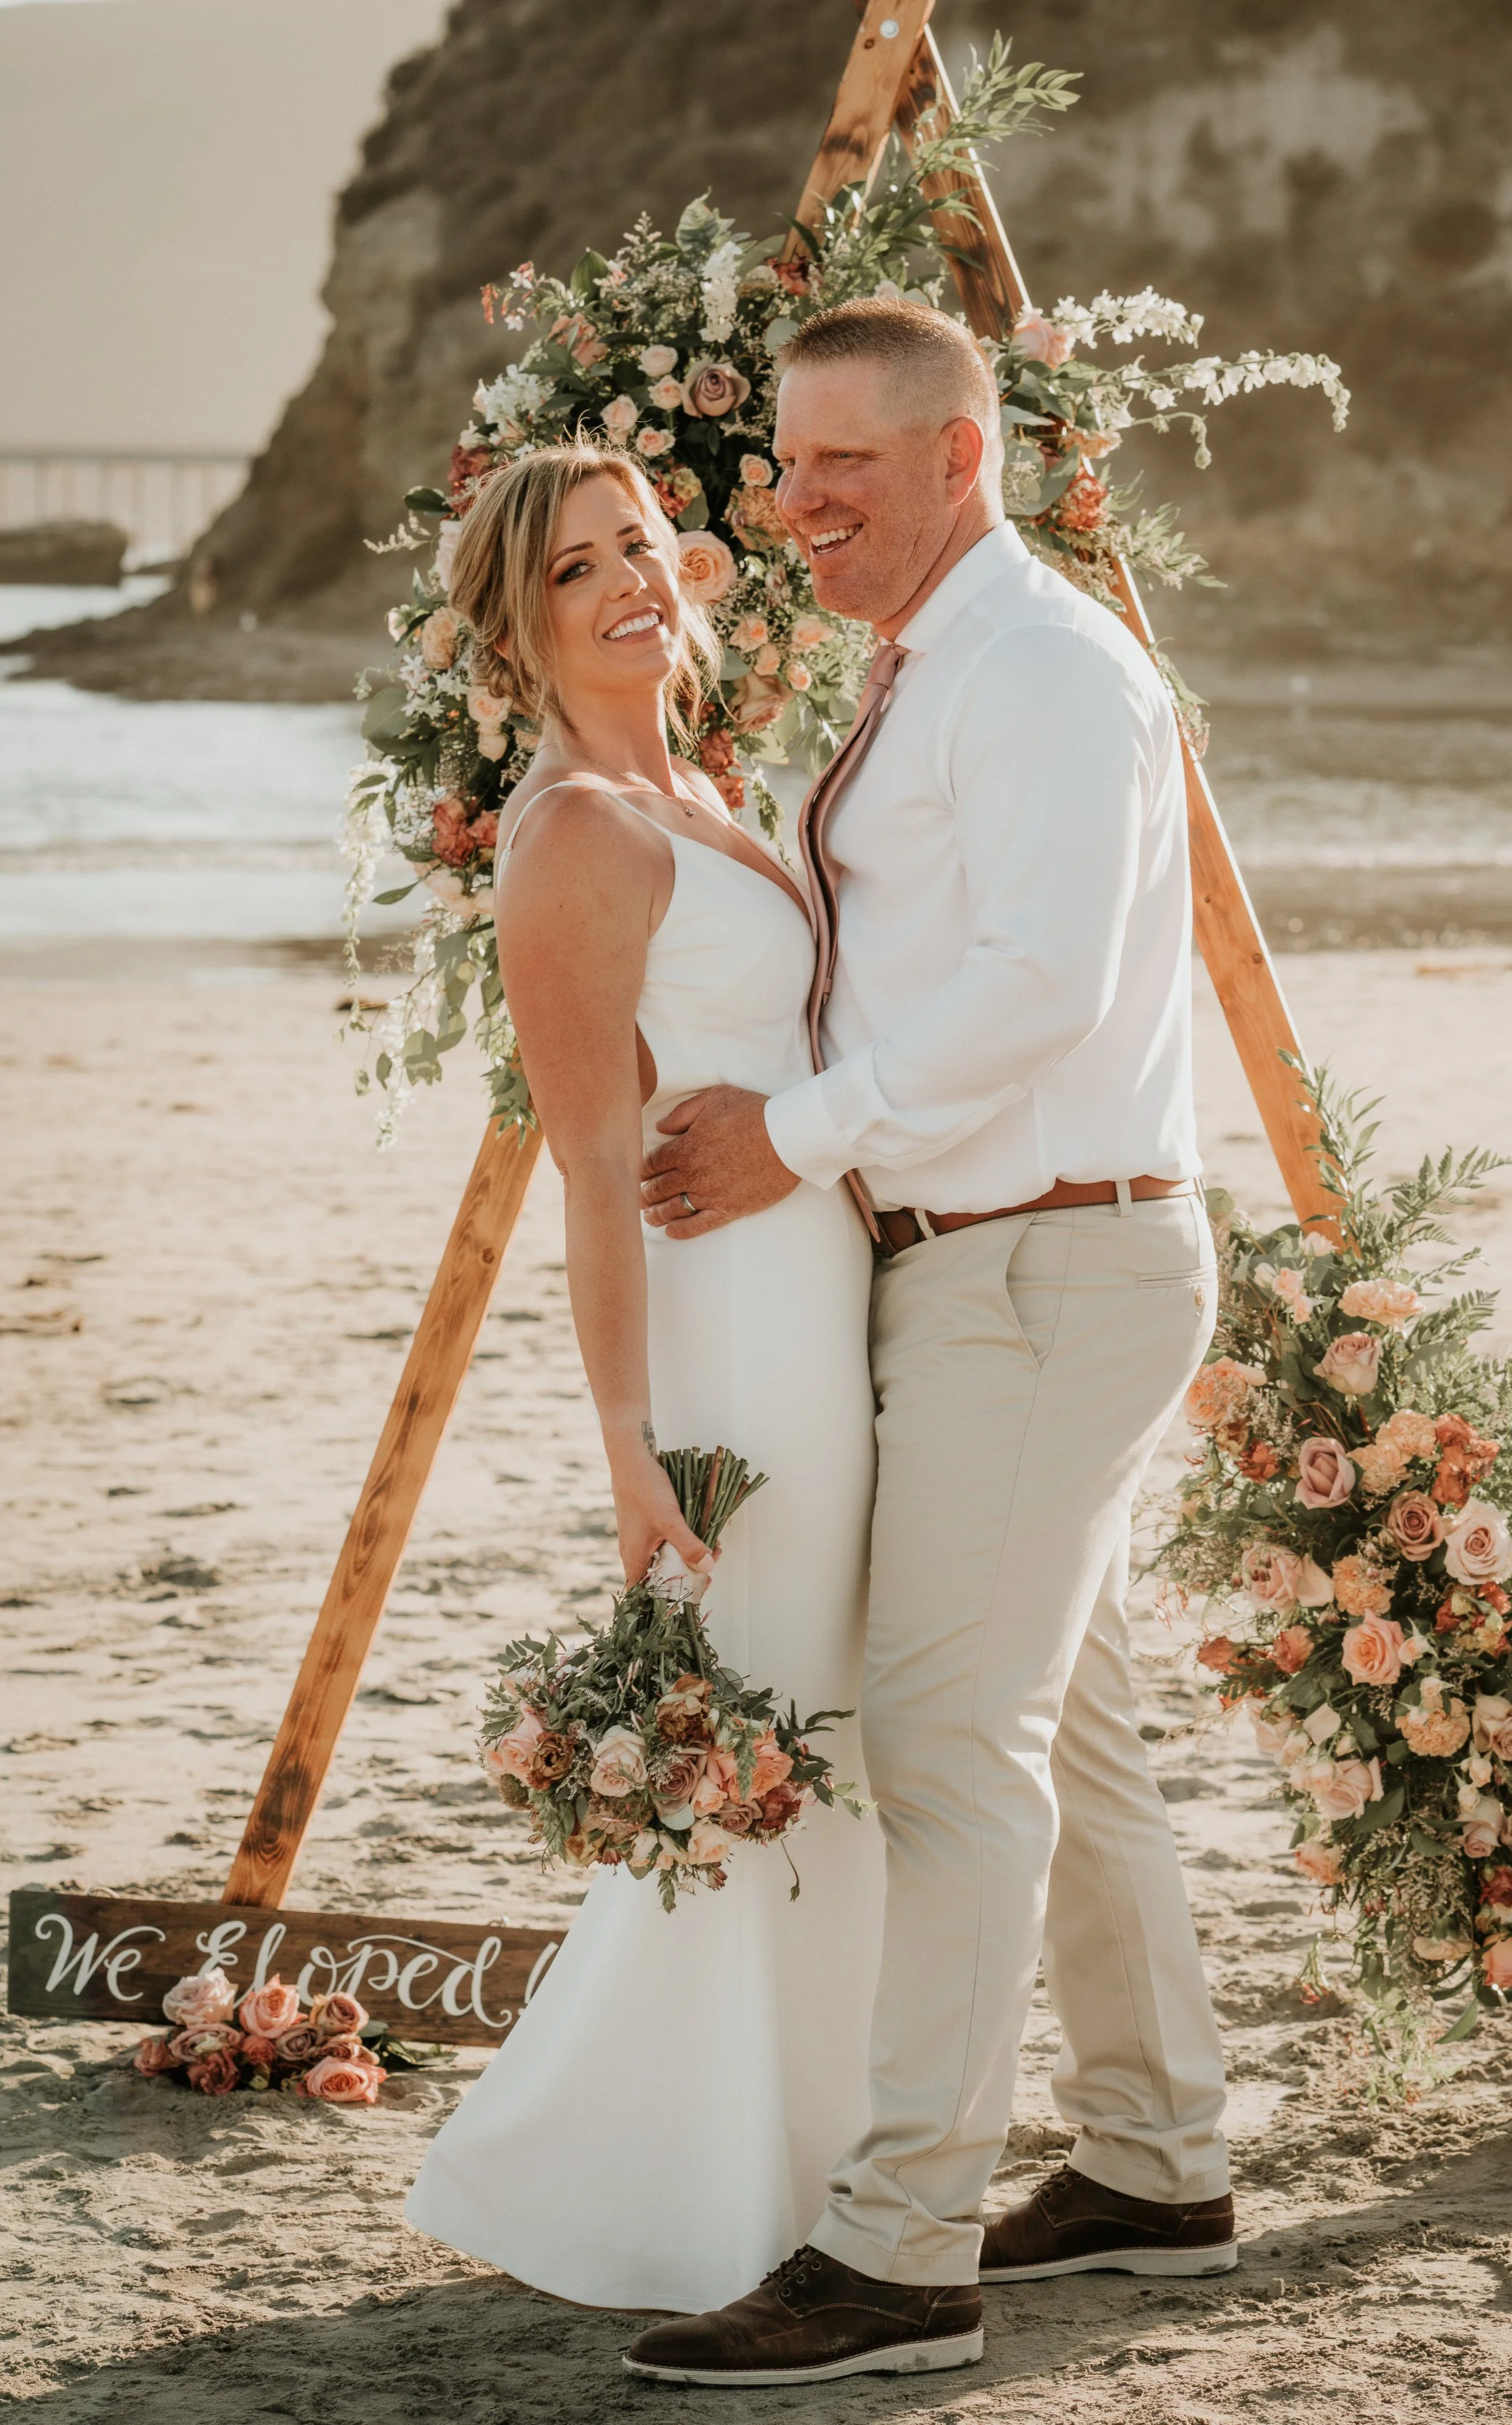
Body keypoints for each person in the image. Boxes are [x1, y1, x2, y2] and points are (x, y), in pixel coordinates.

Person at [623, 299, 1234, 2391]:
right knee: (1069, 1730)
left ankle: (897, 2249)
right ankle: (1157, 2164)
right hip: (1002, 1261)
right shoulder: (941, 660)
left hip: (1042, 1269)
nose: (792, 506)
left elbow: (1037, 985)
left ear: (962, 456)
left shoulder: (1044, 668)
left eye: (841, 472)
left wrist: (789, 1139)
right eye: (781, 467)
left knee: (944, 1741)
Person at [402, 443, 886, 2314]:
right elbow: (591, 1171)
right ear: (518, 630)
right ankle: (671, 2186)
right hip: (730, 1335)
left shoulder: (692, 782)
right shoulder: (576, 835)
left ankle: (810, 2147)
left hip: (822, 1289)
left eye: (633, 549)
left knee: (820, 1731)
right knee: (766, 1730)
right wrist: (624, 1446)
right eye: (572, 572)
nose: (625, 586)